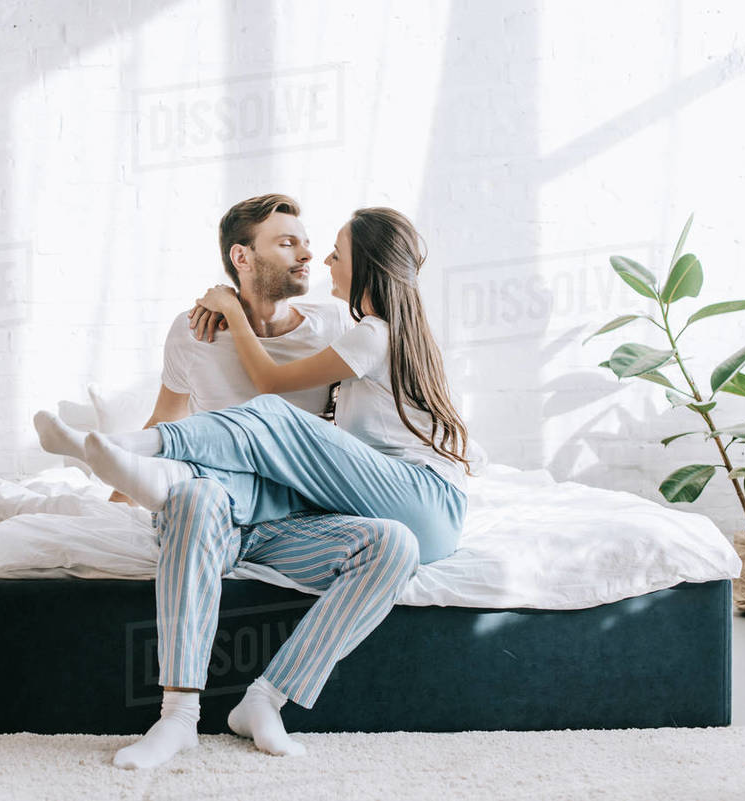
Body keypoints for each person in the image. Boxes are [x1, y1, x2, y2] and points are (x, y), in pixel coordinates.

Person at [38, 206, 482, 769]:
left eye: (328, 250)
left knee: (272, 415)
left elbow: (277, 394)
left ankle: (142, 452)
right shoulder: (192, 330)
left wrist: (232, 311)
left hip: (331, 510)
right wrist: (114, 496)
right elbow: (170, 408)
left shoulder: (345, 327)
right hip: (230, 509)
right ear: (242, 257)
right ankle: (193, 714)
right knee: (208, 498)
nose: (314, 257)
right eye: (289, 242)